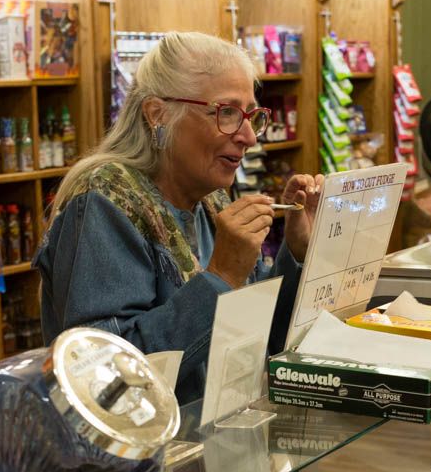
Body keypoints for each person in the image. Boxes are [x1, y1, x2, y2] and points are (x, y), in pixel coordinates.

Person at [36, 31, 323, 403]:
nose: (249, 136)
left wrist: (296, 252)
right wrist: (221, 277)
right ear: (158, 115)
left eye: (252, 115)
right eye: (228, 112)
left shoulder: (211, 199)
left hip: (212, 444)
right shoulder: (103, 199)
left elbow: (261, 338)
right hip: (140, 458)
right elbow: (107, 379)